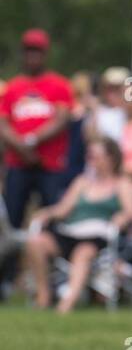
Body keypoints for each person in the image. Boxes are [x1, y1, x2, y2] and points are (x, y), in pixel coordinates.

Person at [24, 136, 132, 313]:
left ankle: (67, 303)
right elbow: (63, 209)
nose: (91, 160)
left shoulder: (121, 183)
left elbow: (131, 211)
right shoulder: (82, 182)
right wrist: (46, 213)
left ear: (110, 158)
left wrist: (121, 218)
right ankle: (43, 295)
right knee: (35, 242)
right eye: (89, 156)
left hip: (99, 236)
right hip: (71, 232)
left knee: (83, 253)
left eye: (95, 156)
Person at [0, 29, 75, 230]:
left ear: (44, 54)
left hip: (49, 164)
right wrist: (22, 148)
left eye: (37, 51)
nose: (32, 56)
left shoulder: (59, 85)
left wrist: (32, 140)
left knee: (51, 217)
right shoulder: (13, 88)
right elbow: (3, 123)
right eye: (28, 51)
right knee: (12, 217)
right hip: (18, 162)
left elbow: (61, 119)